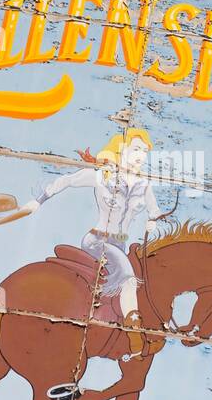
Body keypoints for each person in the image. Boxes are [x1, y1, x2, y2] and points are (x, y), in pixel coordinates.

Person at [21, 128, 163, 355]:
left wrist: (153, 220)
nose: (140, 155)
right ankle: (134, 336)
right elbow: (67, 181)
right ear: (121, 150)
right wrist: (37, 201)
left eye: (144, 152)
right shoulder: (102, 177)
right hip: (98, 241)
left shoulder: (144, 185)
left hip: (121, 245)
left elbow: (154, 209)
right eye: (136, 149)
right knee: (128, 279)